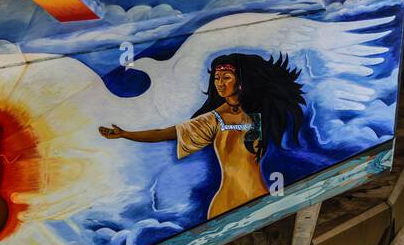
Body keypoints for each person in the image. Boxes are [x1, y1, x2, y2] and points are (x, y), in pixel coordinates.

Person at [99, 52, 306, 218]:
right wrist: (125, 134)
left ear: (241, 81)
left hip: (259, 196)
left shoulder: (258, 115)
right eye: (216, 78)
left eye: (226, 77)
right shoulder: (214, 119)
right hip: (225, 203)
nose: (220, 83)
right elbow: (164, 133)